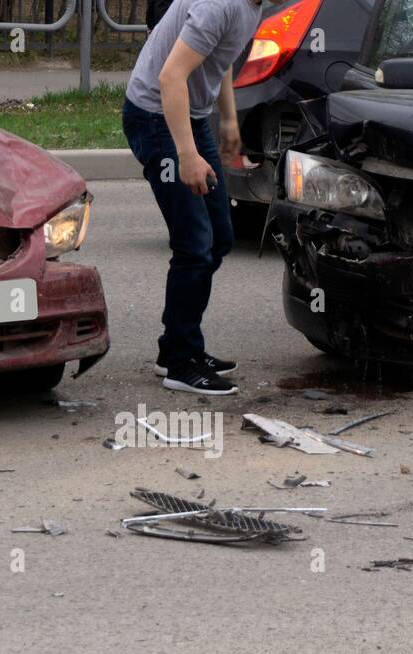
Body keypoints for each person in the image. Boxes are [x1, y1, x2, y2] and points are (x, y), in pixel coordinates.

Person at [123, 0, 264, 397]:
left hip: (193, 116)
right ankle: (182, 362)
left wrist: (230, 119)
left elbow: (218, 59)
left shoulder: (250, 8)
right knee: (195, 244)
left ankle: (175, 347)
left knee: (219, 238)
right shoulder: (219, 5)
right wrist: (186, 155)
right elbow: (171, 78)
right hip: (155, 117)